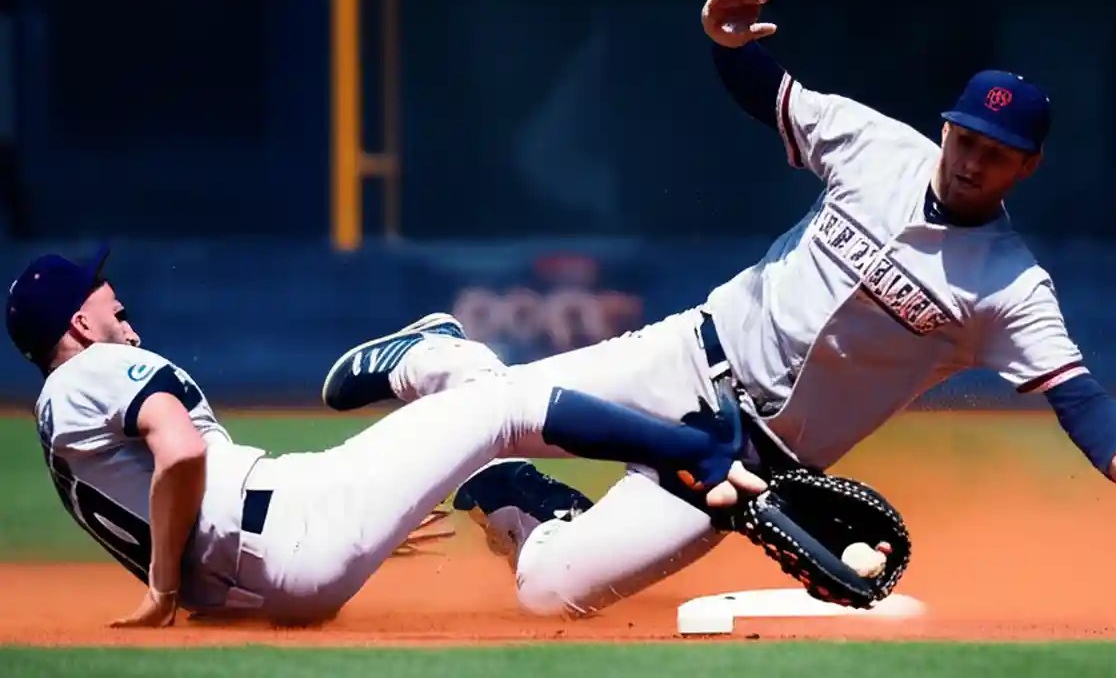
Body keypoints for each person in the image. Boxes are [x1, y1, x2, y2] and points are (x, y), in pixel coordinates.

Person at [321, 0, 1116, 618]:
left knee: (547, 592)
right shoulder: (878, 146)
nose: (970, 154)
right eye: (965, 132)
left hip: (746, 462)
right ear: (947, 124)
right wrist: (726, 43)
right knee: (491, 409)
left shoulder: (1010, 287)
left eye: (996, 149)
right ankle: (445, 358)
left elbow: (1082, 400)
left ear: (1025, 165)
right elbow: (772, 96)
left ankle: (524, 501)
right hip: (685, 354)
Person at [5, 246, 764, 628]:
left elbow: (176, 487)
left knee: (484, 417)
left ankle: (491, 467)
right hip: (293, 523)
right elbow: (182, 449)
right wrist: (163, 586)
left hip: (272, 574)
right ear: (78, 321)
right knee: (499, 402)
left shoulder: (56, 416)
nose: (117, 299)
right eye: (102, 292)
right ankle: (695, 449)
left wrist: (367, 520)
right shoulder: (98, 366)